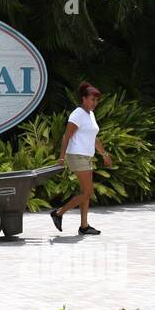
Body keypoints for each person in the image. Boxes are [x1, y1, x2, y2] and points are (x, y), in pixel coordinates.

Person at [51, 82, 113, 235]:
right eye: (92, 99)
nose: (95, 103)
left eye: (97, 100)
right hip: (76, 155)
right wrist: (61, 157)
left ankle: (84, 226)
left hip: (86, 156)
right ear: (84, 98)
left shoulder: (90, 115)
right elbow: (67, 136)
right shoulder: (78, 114)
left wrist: (104, 154)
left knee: (85, 192)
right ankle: (58, 213)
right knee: (87, 193)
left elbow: (94, 138)